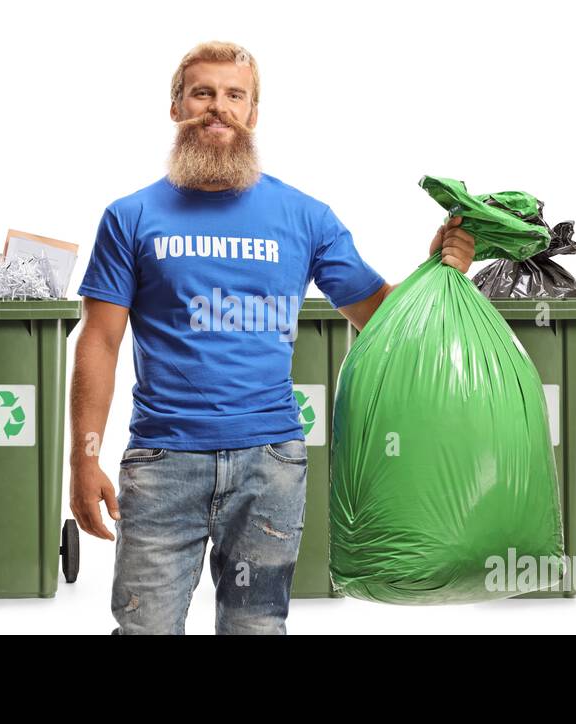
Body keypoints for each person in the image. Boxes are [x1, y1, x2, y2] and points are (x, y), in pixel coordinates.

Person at [69, 40, 476, 634]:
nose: (218, 107)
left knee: (257, 629)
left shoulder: (304, 216)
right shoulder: (130, 217)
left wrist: (441, 270)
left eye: (235, 95)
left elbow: (378, 314)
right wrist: (84, 459)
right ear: (177, 105)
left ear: (253, 114)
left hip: (270, 465)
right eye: (202, 93)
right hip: (162, 465)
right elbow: (99, 342)